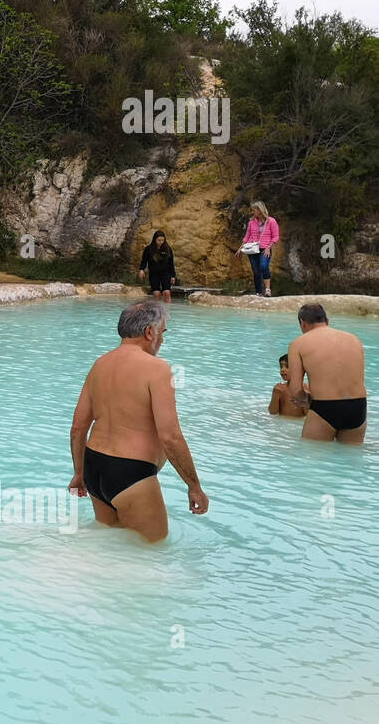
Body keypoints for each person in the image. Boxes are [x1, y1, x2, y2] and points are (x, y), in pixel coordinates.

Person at [68, 301, 209, 542]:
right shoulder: (158, 369)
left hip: (94, 467)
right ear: (149, 332)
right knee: (152, 554)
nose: (162, 341)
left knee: (109, 546)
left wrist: (79, 473)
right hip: (131, 474)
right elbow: (170, 436)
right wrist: (194, 486)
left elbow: (78, 427)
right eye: (162, 333)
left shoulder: (100, 364)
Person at [287, 303, 367, 443]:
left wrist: (306, 400)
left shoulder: (298, 344)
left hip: (324, 406)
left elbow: (295, 390)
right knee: (351, 460)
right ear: (327, 321)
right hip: (358, 406)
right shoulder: (354, 339)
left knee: (313, 460)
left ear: (302, 323)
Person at [236, 200, 279, 297]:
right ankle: (258, 292)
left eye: (254, 210)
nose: (252, 212)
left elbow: (276, 236)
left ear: (260, 210)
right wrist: (240, 248)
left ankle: (268, 289)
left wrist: (269, 247)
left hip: (265, 248)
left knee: (264, 266)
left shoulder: (271, 221)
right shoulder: (251, 222)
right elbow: (247, 236)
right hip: (253, 249)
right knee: (256, 271)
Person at [137, 229, 178, 302]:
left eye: (162, 240)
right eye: (159, 240)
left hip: (166, 273)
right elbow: (144, 261)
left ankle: (168, 310)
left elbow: (171, 263)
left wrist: (173, 276)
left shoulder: (168, 249)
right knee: (157, 294)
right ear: (155, 239)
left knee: (167, 293)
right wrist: (141, 270)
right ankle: (157, 311)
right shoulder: (148, 249)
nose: (161, 242)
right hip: (154, 274)